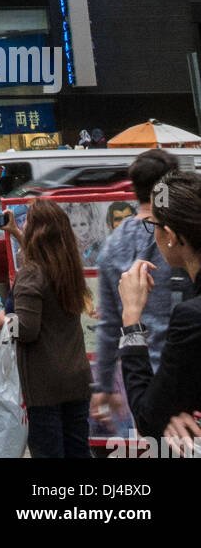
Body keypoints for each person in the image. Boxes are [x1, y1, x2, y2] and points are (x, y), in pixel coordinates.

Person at [0, 199, 92, 458]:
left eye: (27, 223)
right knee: (77, 450)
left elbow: (27, 329)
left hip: (44, 384)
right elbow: (44, 258)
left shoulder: (31, 274)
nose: (23, 225)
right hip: (76, 377)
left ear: (37, 232)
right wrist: (16, 233)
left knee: (49, 452)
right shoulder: (69, 268)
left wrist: (3, 322)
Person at [93, 149, 182, 430]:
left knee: (149, 444)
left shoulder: (112, 246)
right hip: (183, 374)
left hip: (137, 378)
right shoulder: (181, 239)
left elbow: (109, 324)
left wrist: (104, 385)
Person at [117, 171, 201, 447]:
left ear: (171, 236)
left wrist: (131, 317)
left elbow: (147, 418)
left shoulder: (191, 317)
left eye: (152, 224)